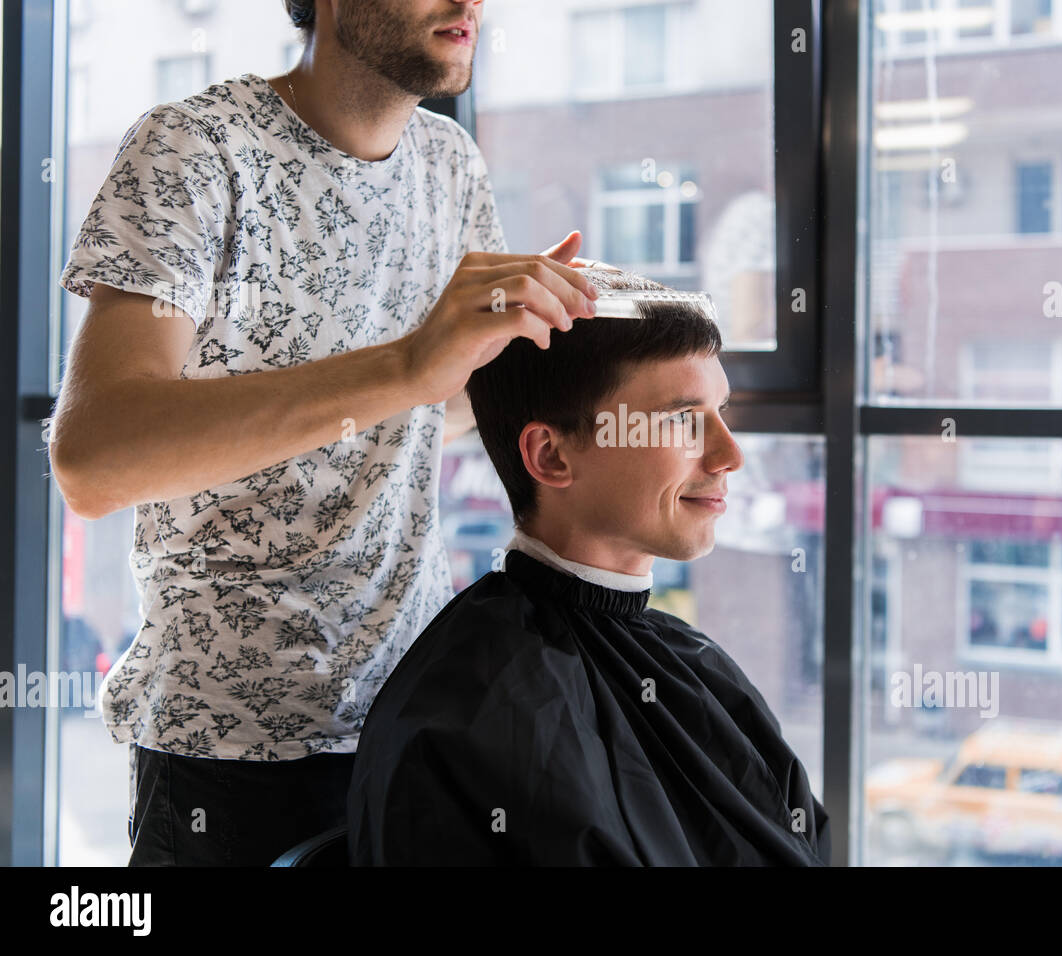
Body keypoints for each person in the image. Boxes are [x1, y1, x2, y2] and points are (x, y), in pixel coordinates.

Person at [49, 0, 603, 866]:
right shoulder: (196, 147)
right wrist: (406, 365)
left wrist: (582, 373)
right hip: (225, 751)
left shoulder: (450, 161)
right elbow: (94, 458)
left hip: (411, 721)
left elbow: (437, 403)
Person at [347, 269, 831, 865]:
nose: (730, 455)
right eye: (681, 419)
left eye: (721, 411)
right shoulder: (473, 711)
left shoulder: (693, 664)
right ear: (551, 456)